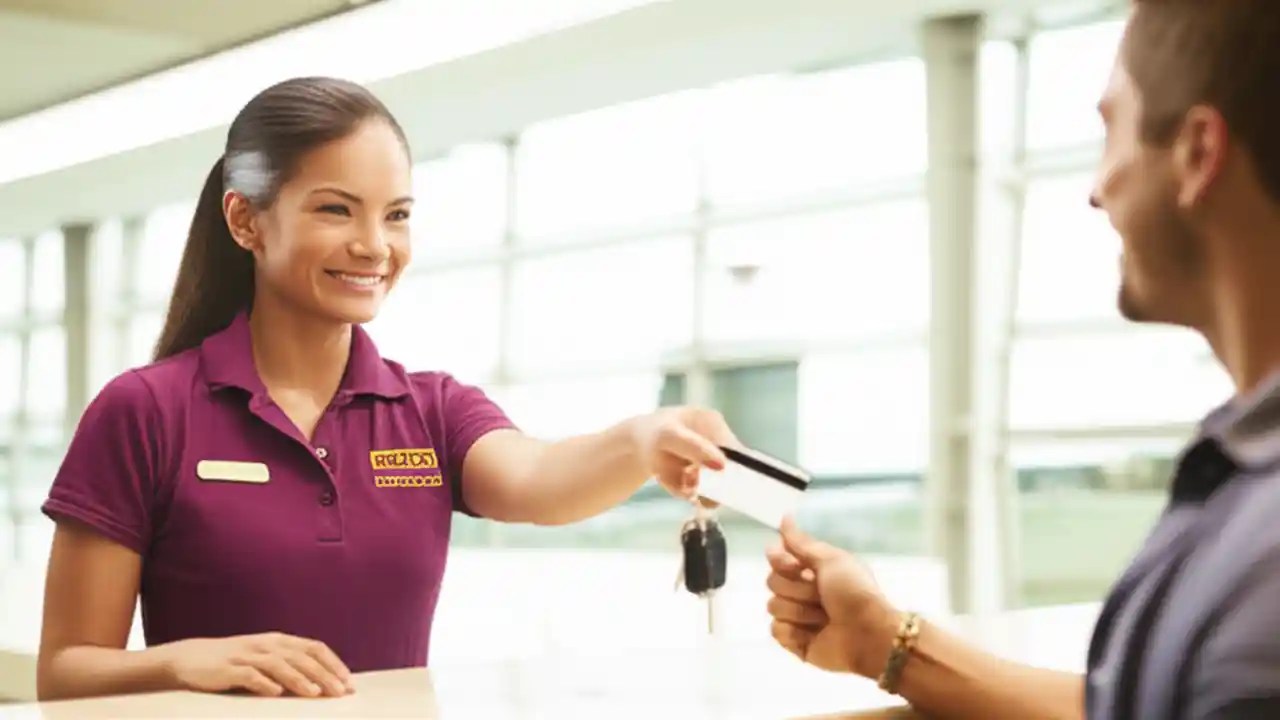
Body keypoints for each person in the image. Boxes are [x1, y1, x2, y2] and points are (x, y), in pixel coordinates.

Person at [36, 76, 739, 701]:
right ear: (246, 220)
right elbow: (65, 670)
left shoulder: (431, 411)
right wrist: (186, 662)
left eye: (396, 214)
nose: (375, 245)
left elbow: (540, 479)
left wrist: (646, 439)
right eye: (336, 210)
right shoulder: (145, 412)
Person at [766, 1, 1280, 718]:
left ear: (1197, 154)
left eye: (1113, 131)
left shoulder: (1263, 550)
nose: (1097, 190)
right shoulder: (1242, 478)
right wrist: (883, 642)